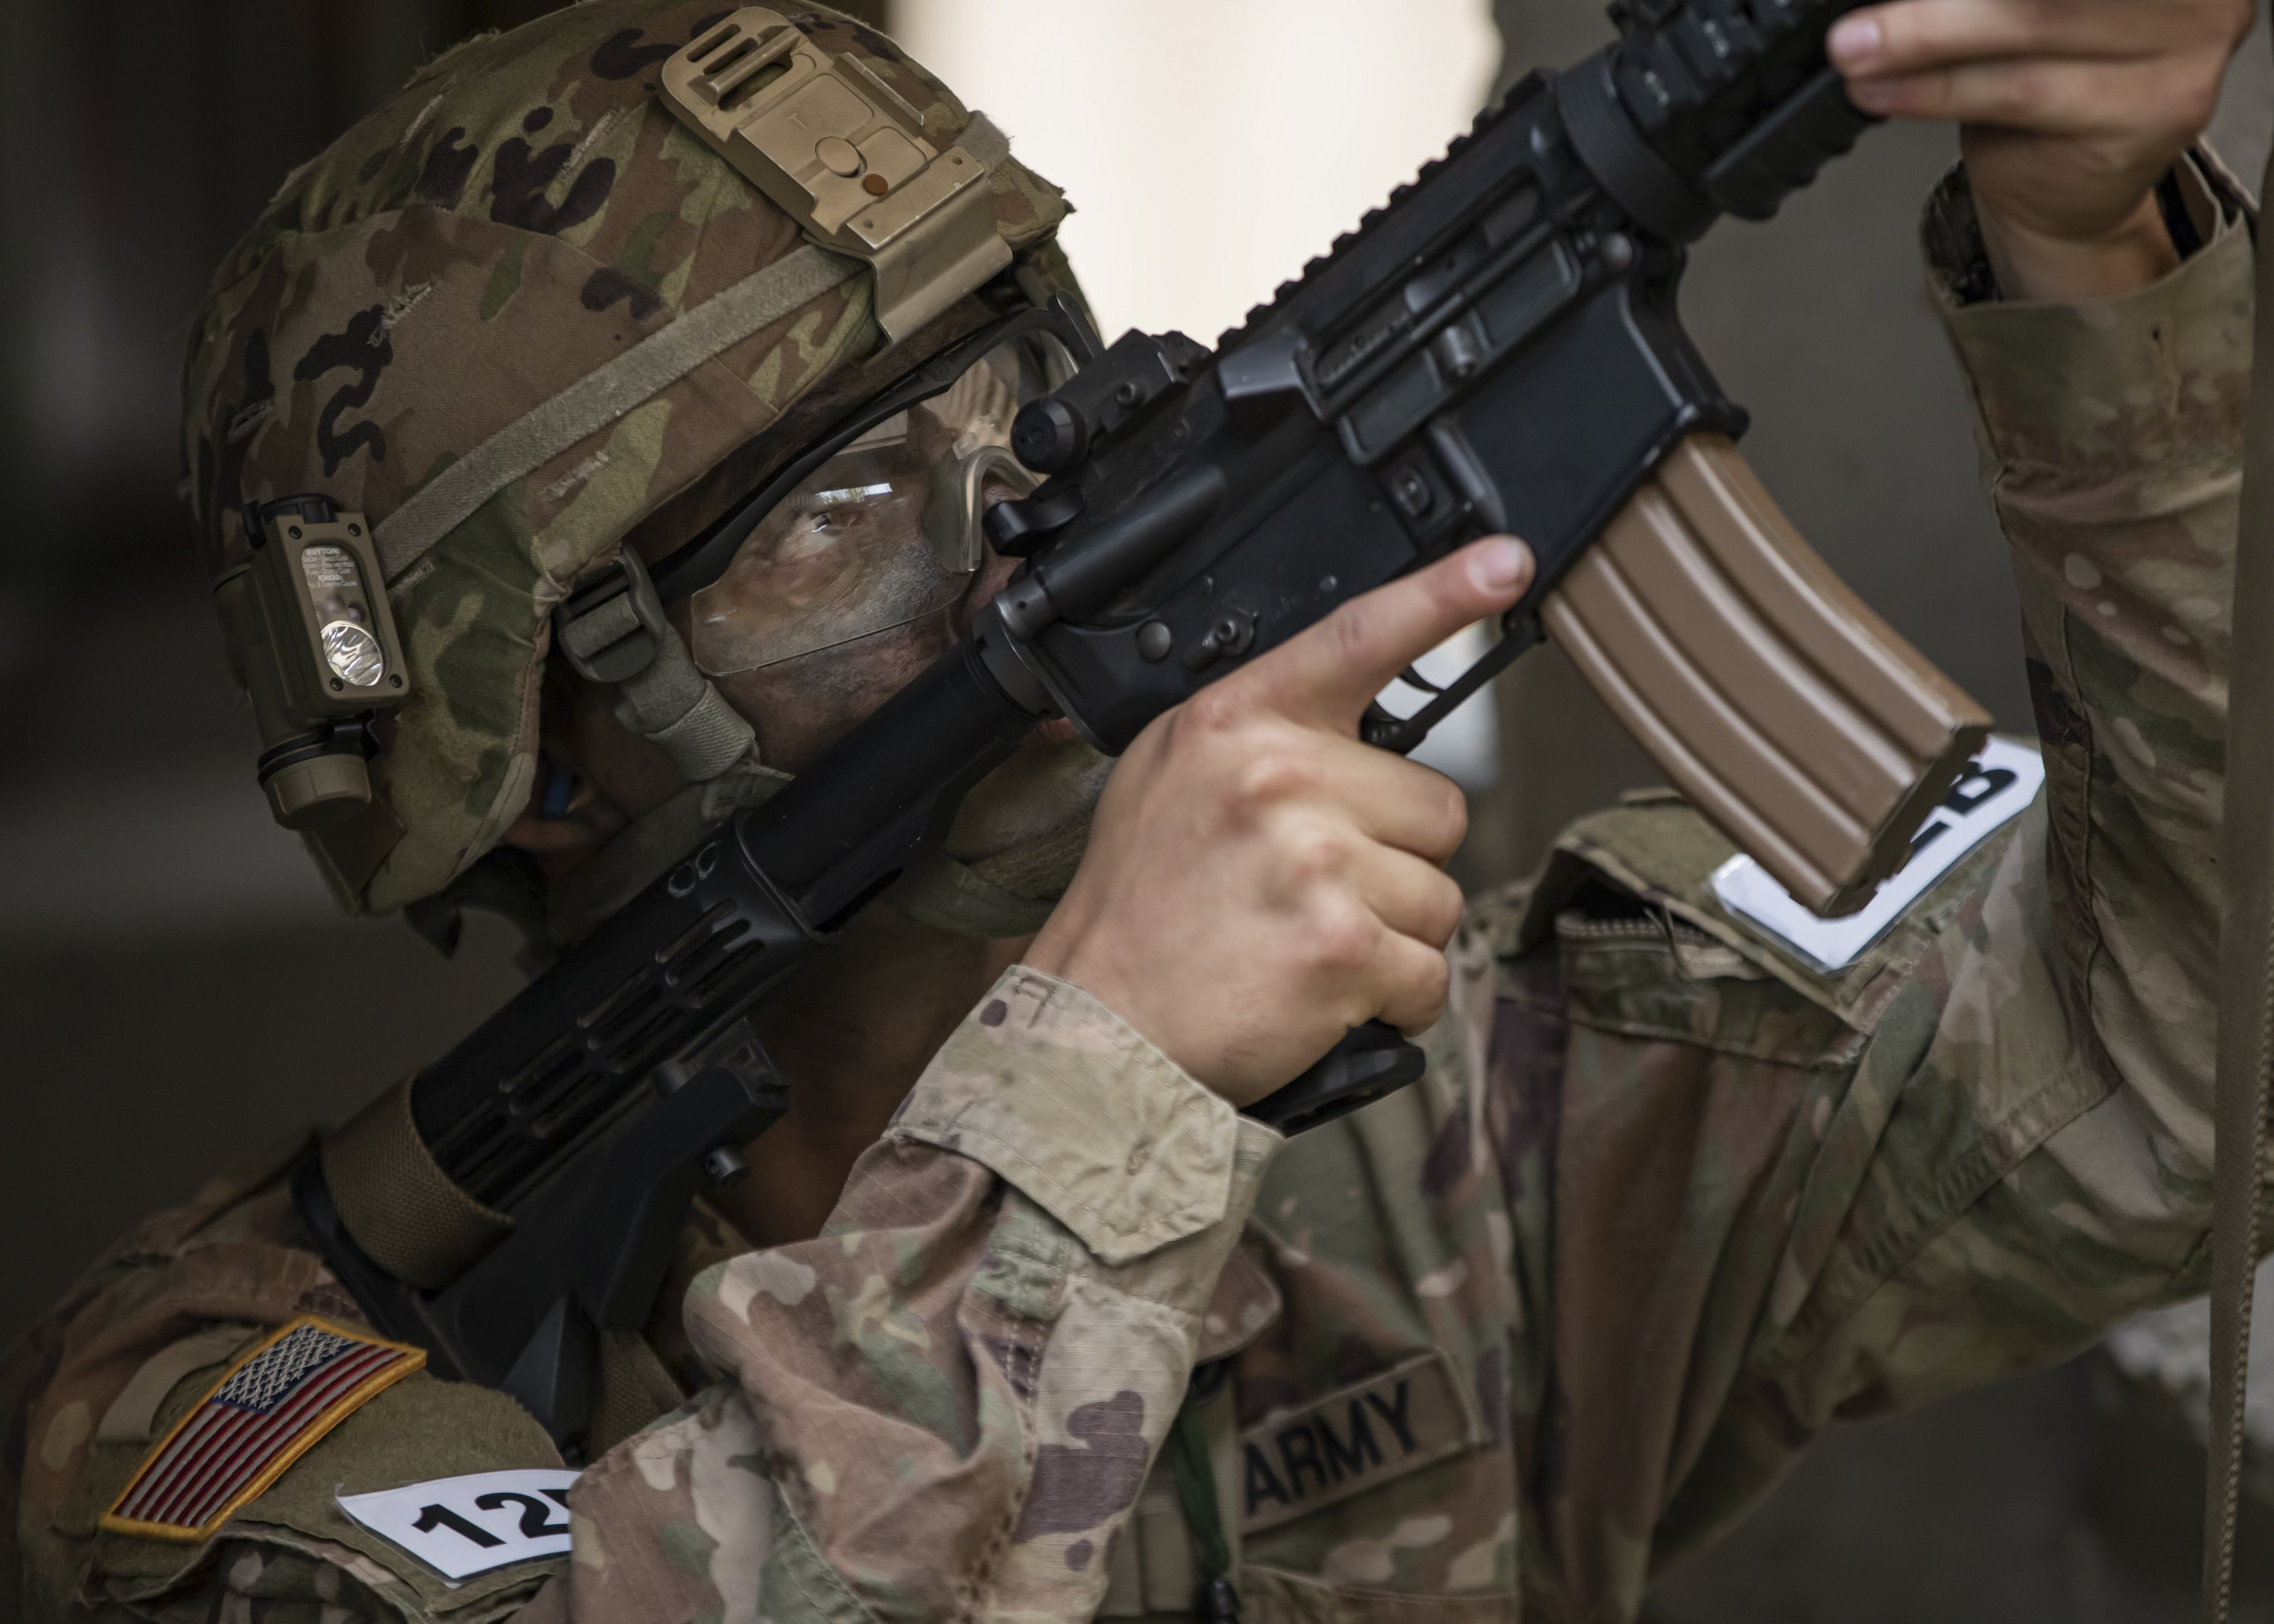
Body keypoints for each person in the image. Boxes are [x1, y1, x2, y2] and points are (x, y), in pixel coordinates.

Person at [0, 0, 2258, 1618]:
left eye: (1021, 378)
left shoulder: (1434, 1122)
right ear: (528, 756)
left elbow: (2189, 1083)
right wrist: (1092, 1101)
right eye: (845, 498)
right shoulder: (228, 1424)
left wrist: (2100, 253)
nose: (1014, 510)